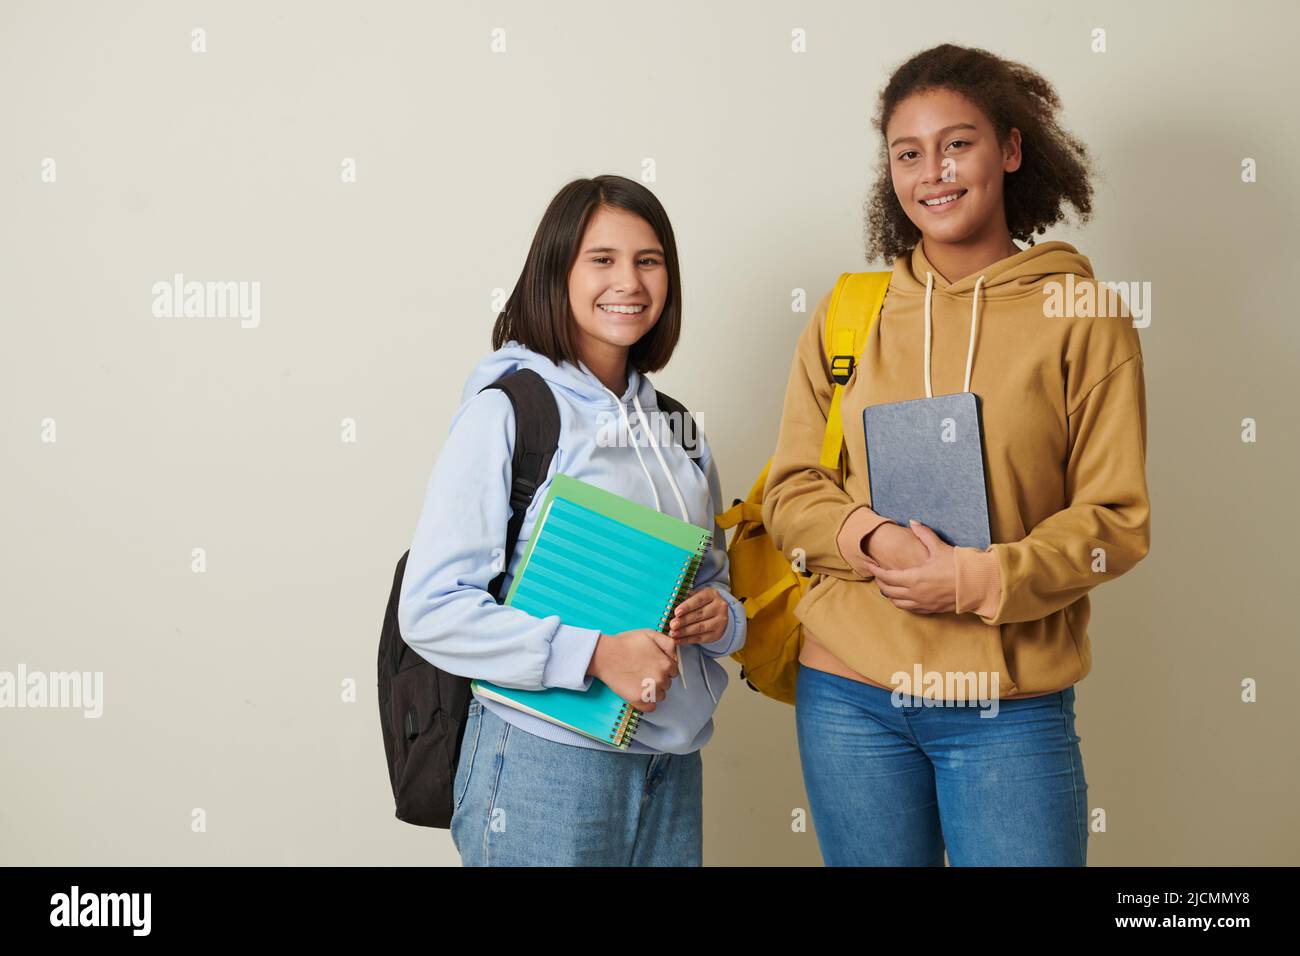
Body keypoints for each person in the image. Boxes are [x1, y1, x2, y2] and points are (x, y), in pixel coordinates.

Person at [763, 44, 1151, 866]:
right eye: (908, 154)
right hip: (848, 696)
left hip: (1007, 706)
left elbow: (1114, 521)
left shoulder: (1085, 315)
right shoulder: (849, 312)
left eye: (957, 144)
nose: (932, 172)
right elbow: (792, 490)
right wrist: (871, 538)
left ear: (1010, 150)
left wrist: (974, 580)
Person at [398, 174, 745, 866]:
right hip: (544, 762)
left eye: (649, 261)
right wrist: (595, 655)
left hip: (671, 767)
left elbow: (713, 581)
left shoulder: (679, 430)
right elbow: (432, 609)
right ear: (557, 273)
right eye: (602, 260)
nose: (630, 282)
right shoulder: (508, 412)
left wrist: (723, 617)